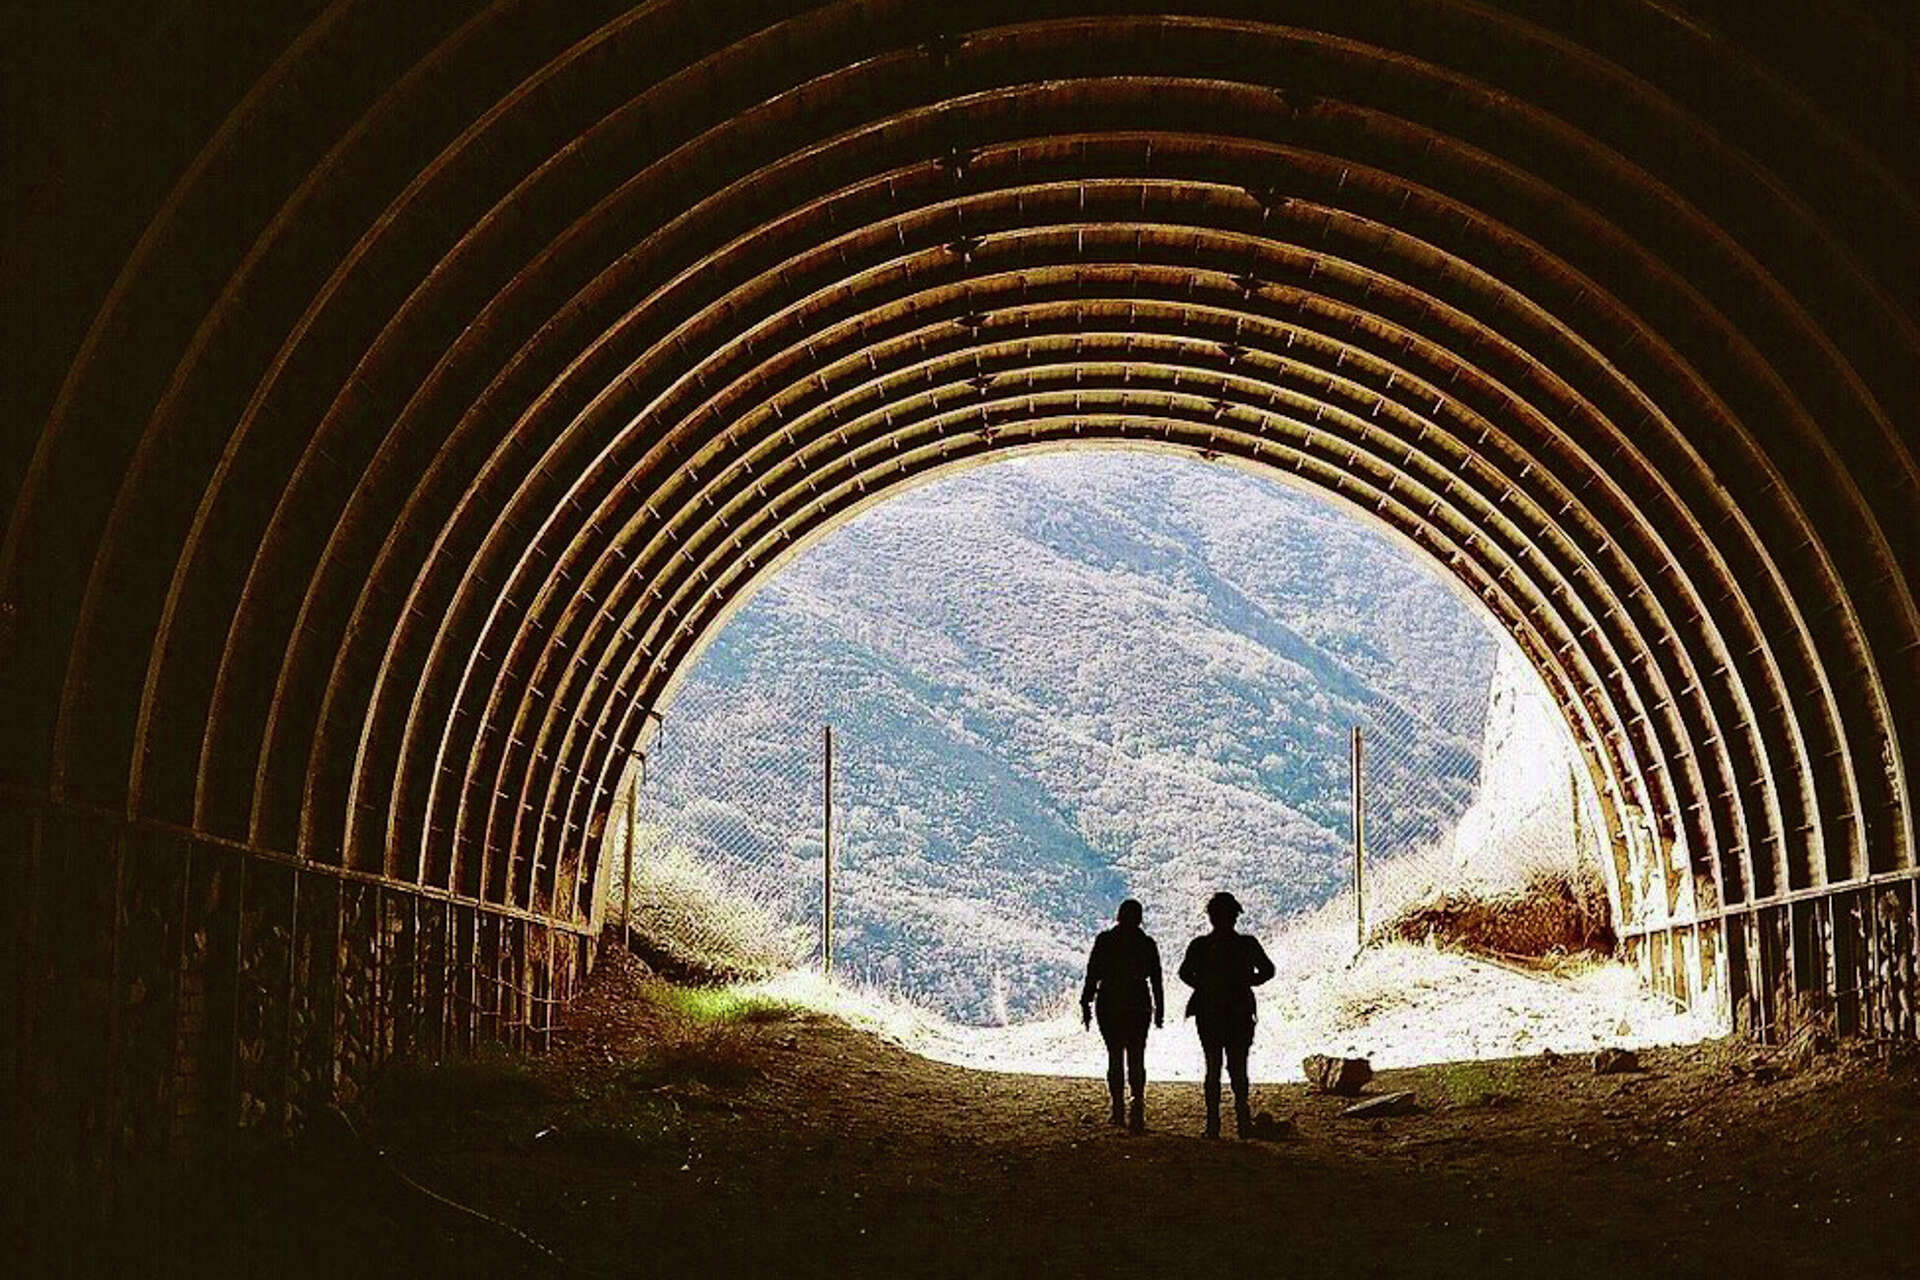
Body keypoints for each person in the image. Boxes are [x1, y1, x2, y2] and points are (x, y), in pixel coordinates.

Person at [1178, 891, 1276, 1138]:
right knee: (1238, 1067)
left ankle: (1213, 1126)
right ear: (1235, 917)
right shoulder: (1247, 944)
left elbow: (1184, 973)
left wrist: (1204, 986)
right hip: (1240, 1011)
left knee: (1213, 1067)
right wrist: (1247, 982)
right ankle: (1243, 1123)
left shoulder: (1200, 946)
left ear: (1210, 917)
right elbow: (1268, 970)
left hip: (1209, 1011)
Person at [1079, 898, 1164, 1132]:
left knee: (1114, 1055)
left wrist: (1086, 1001)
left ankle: (1118, 1109)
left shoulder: (1106, 941)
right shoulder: (1146, 943)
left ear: (1118, 916)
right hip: (1138, 1004)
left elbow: (1092, 973)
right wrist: (1160, 1009)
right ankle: (1137, 1103)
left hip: (1110, 1003)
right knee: (1137, 1056)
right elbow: (1156, 978)